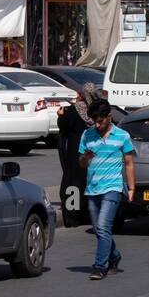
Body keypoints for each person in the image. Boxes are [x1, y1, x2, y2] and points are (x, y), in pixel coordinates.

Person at [79, 99, 135, 280]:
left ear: (109, 117)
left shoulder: (122, 136)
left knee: (103, 227)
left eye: (100, 121)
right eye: (94, 121)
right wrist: (85, 156)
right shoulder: (87, 135)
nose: (97, 125)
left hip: (113, 187)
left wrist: (131, 188)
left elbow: (129, 163)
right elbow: (81, 164)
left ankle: (99, 266)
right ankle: (115, 255)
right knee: (98, 230)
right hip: (92, 189)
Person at [56, 88, 94, 228]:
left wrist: (60, 115)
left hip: (76, 150)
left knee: (73, 183)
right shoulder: (96, 110)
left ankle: (72, 217)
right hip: (93, 151)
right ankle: (87, 214)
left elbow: (64, 125)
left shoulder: (74, 110)